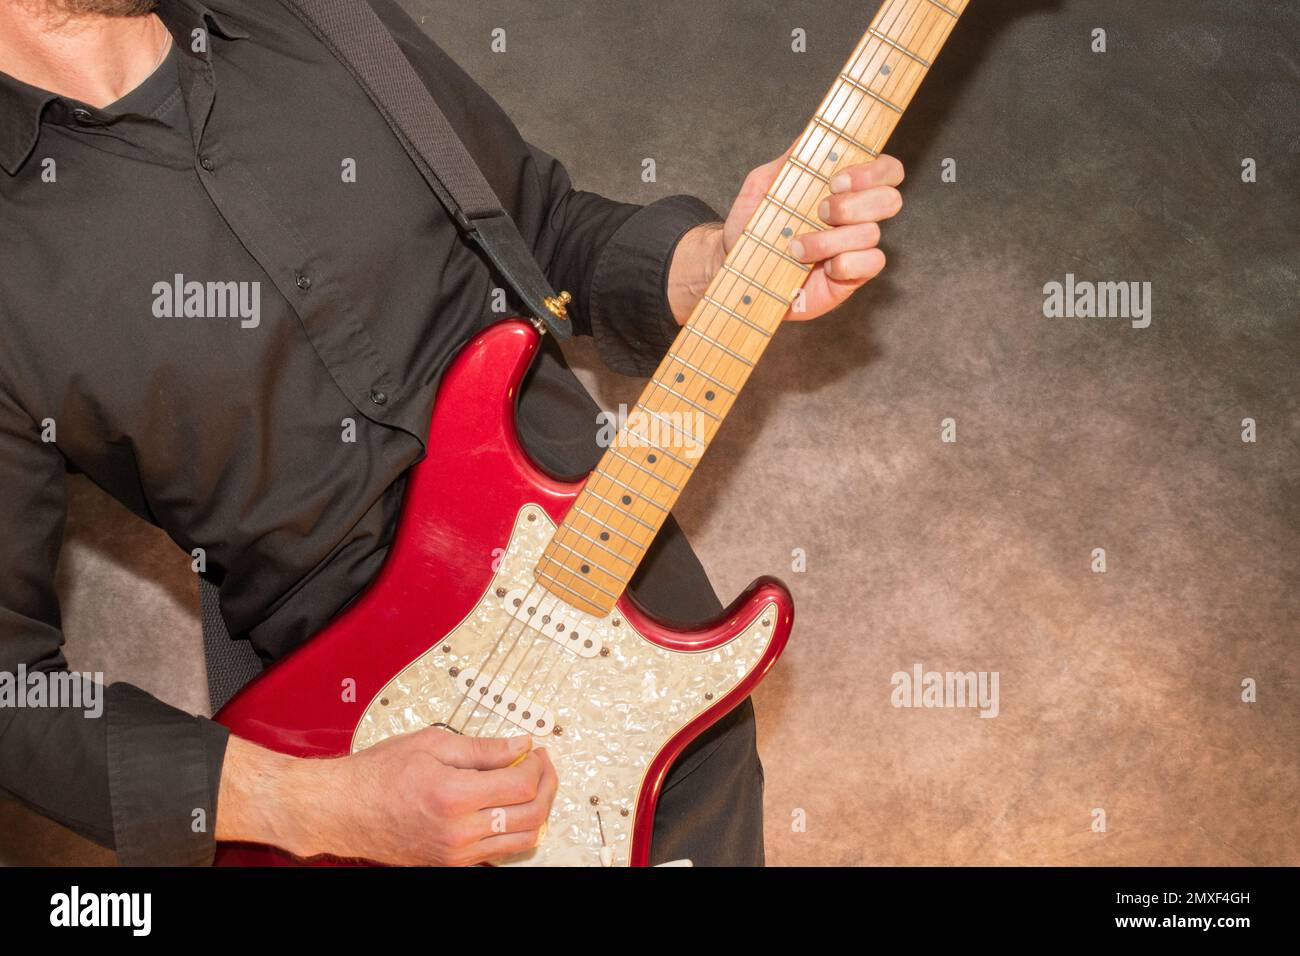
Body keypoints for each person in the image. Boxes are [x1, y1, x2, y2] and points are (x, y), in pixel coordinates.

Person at [0, 0, 904, 865]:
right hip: (376, 787)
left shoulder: (317, 17)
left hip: (658, 695)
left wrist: (720, 267)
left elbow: (537, 231)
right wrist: (319, 806)